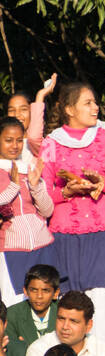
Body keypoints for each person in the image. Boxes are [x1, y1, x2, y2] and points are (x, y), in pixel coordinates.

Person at [40, 81, 105, 345]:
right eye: (87, 103)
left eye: (95, 102)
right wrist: (66, 192)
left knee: (104, 303)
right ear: (69, 109)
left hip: (103, 235)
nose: (95, 107)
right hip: (65, 235)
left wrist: (100, 183)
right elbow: (42, 196)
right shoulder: (50, 143)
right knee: (69, 305)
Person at [0, 116, 56, 305]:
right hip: (11, 250)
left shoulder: (29, 169)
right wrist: (14, 186)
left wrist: (35, 186)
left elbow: (47, 211)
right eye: (8, 140)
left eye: (18, 140)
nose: (14, 145)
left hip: (43, 247)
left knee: (48, 305)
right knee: (15, 305)